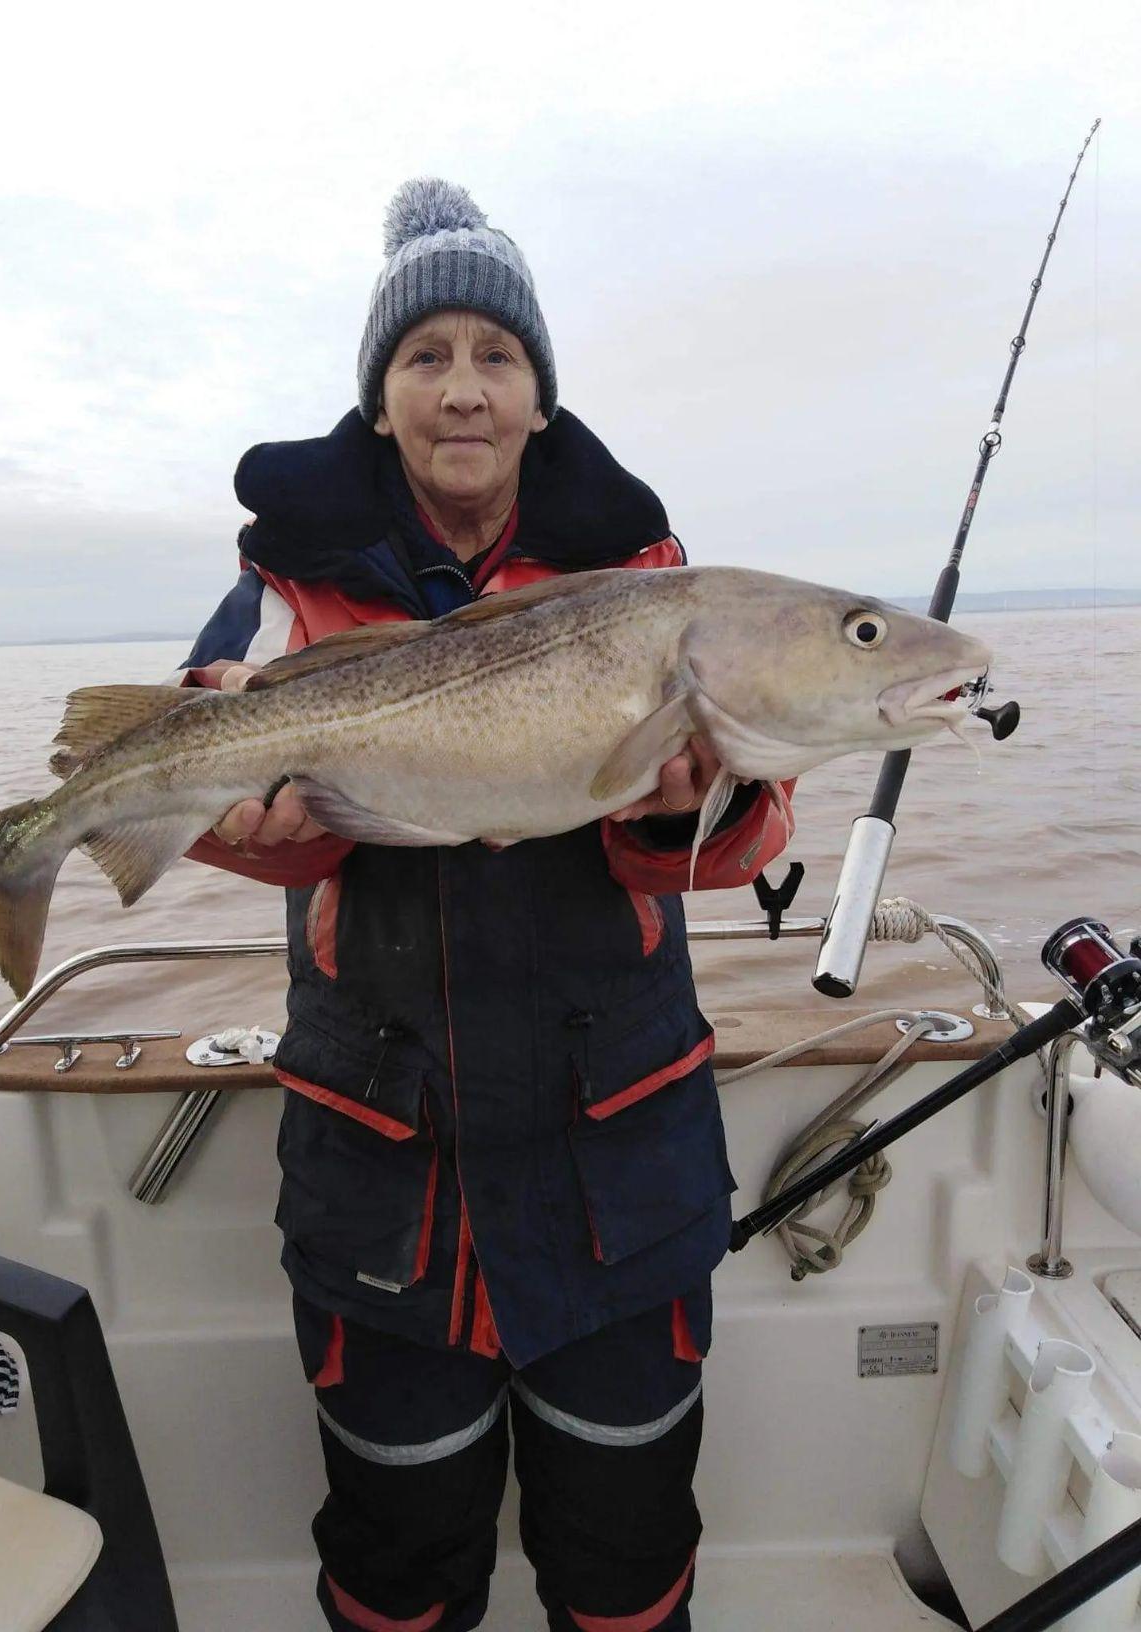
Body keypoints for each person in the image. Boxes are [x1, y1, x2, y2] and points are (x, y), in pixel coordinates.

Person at [181, 178, 796, 1632]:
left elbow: (745, 842)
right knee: (399, 1568)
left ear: (539, 398)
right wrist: (260, 826)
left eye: (496, 358)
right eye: (426, 358)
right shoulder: (284, 590)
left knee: (629, 1559)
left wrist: (672, 810)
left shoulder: (649, 581)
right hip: (387, 1187)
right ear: (380, 400)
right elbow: (227, 822)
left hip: (619, 1176)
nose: (463, 390)